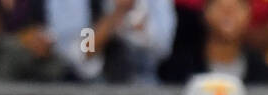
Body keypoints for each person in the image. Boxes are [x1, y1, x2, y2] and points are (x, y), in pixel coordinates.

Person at [45, 0, 176, 83]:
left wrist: (136, 27)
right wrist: (117, 14)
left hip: (142, 85)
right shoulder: (83, 4)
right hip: (89, 90)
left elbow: (162, 47)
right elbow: (82, 53)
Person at [158, 0, 268, 84]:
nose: (228, 13)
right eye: (220, 6)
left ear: (249, 14)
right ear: (204, 12)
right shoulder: (178, 69)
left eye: (236, 7)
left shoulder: (265, 73)